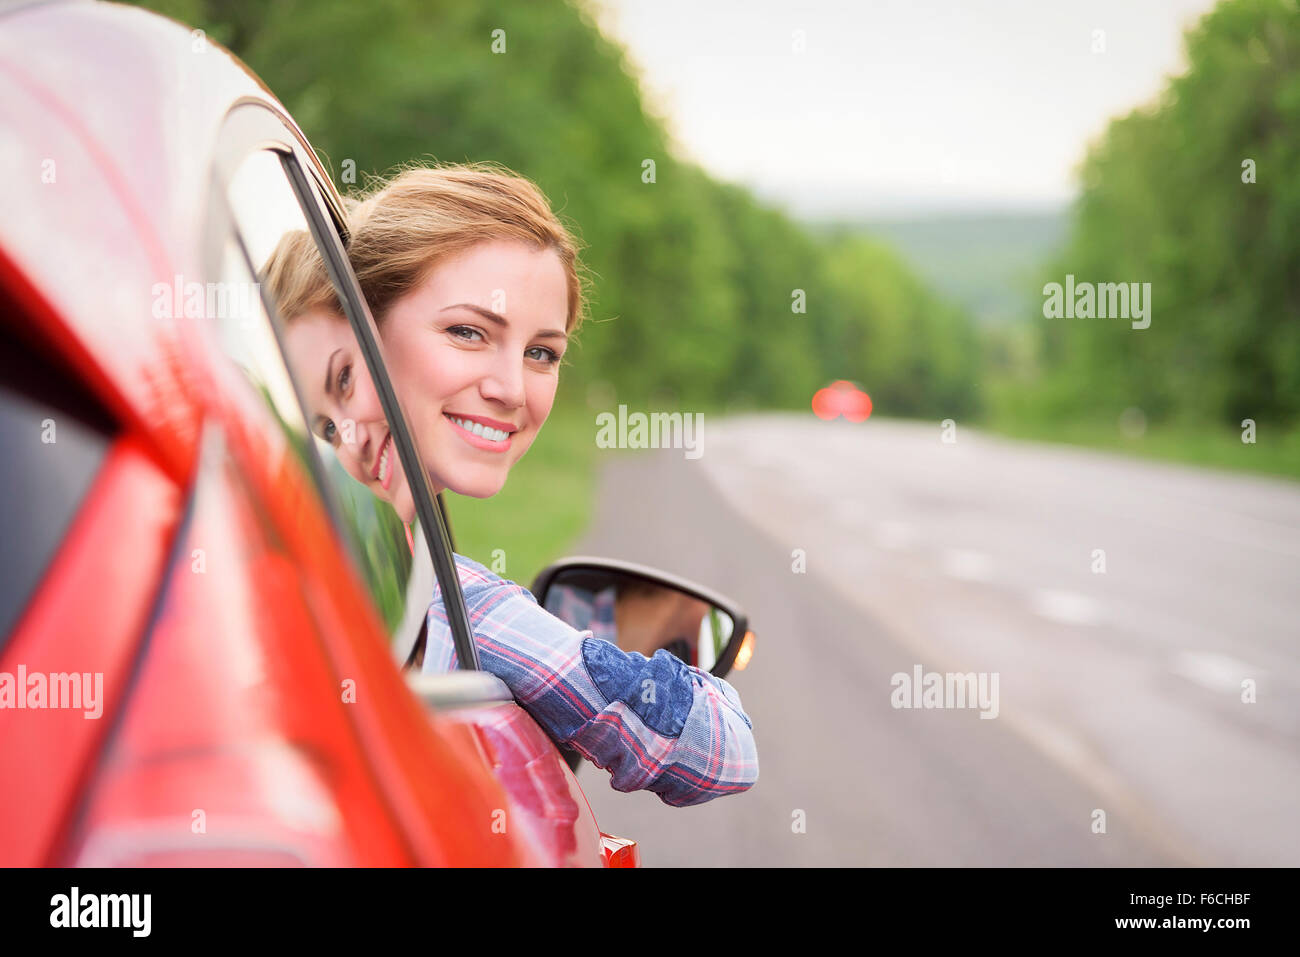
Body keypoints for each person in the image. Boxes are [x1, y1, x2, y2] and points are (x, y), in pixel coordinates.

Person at [264, 164, 756, 807]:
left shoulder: (252, 508)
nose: (512, 389)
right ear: (358, 335)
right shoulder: (459, 607)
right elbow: (722, 751)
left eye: (541, 353)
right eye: (468, 332)